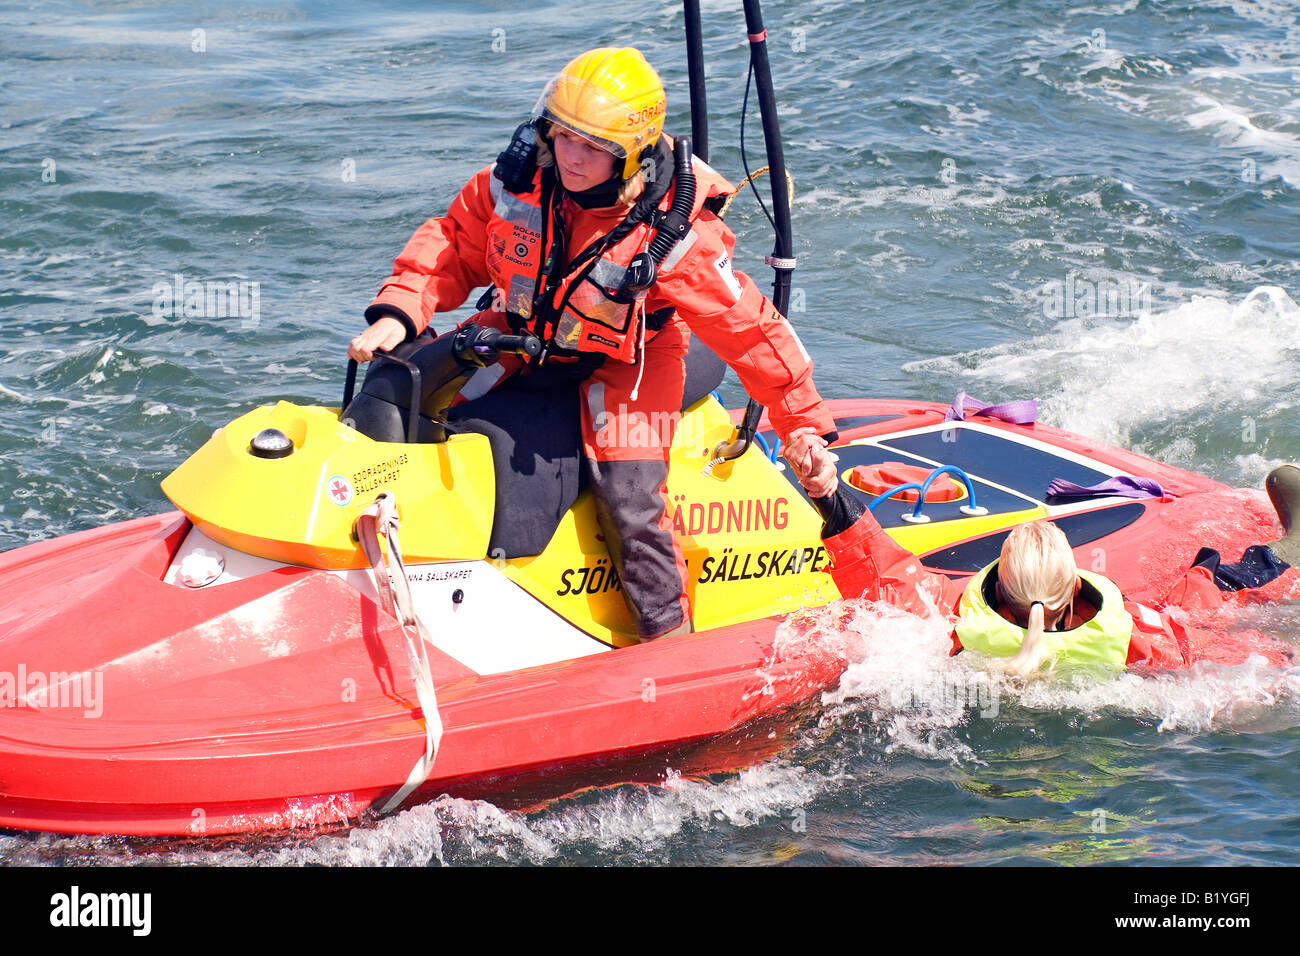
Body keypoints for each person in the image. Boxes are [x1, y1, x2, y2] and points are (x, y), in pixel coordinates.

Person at [350, 48, 836, 641]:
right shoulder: (516, 183)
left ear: (630, 153)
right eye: (563, 137)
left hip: (627, 361)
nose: (571, 157)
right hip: (523, 335)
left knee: (629, 496)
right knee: (405, 385)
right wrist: (399, 312)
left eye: (594, 147)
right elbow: (452, 243)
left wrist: (804, 426)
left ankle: (666, 636)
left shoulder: (675, 233)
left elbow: (749, 329)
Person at [782, 443, 1299, 674]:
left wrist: (825, 491)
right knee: (1201, 590)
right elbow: (1253, 662)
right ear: (1076, 587)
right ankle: (1284, 551)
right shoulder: (1139, 638)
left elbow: (880, 569)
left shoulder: (947, 619)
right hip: (1152, 650)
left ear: (995, 585)